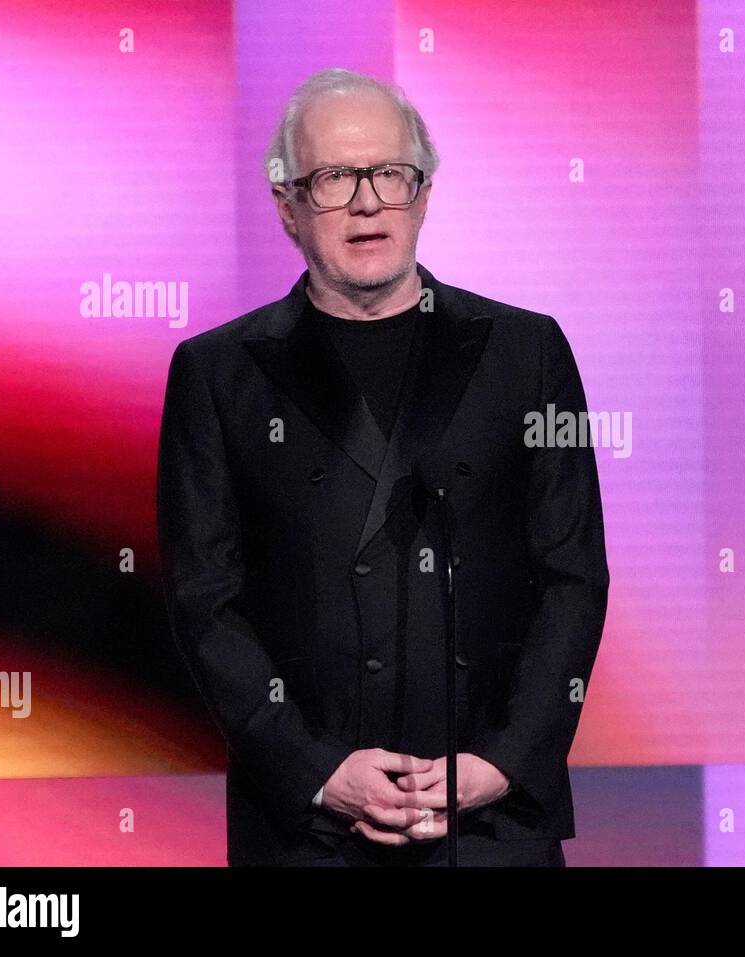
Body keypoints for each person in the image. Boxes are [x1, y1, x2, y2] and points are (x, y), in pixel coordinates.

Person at [155, 68, 609, 867]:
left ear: (423, 193)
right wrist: (318, 771)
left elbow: (573, 574)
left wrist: (501, 761)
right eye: (333, 177)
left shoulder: (527, 353)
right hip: (310, 830)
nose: (367, 201)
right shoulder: (219, 374)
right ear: (288, 205)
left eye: (389, 174)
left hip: (489, 826)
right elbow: (204, 602)